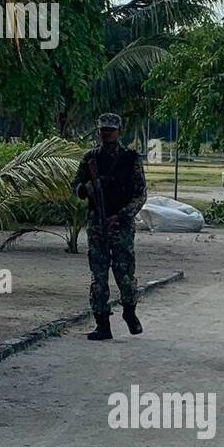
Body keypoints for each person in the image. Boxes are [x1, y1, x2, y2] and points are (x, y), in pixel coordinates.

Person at [72, 112, 147, 340]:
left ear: (119, 132)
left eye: (111, 130)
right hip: (97, 224)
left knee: (125, 274)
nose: (107, 134)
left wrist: (122, 216)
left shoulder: (131, 158)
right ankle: (102, 324)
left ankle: (129, 312)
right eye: (104, 129)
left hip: (121, 225)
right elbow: (76, 187)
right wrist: (88, 187)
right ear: (99, 131)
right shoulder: (90, 158)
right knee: (98, 276)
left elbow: (140, 195)